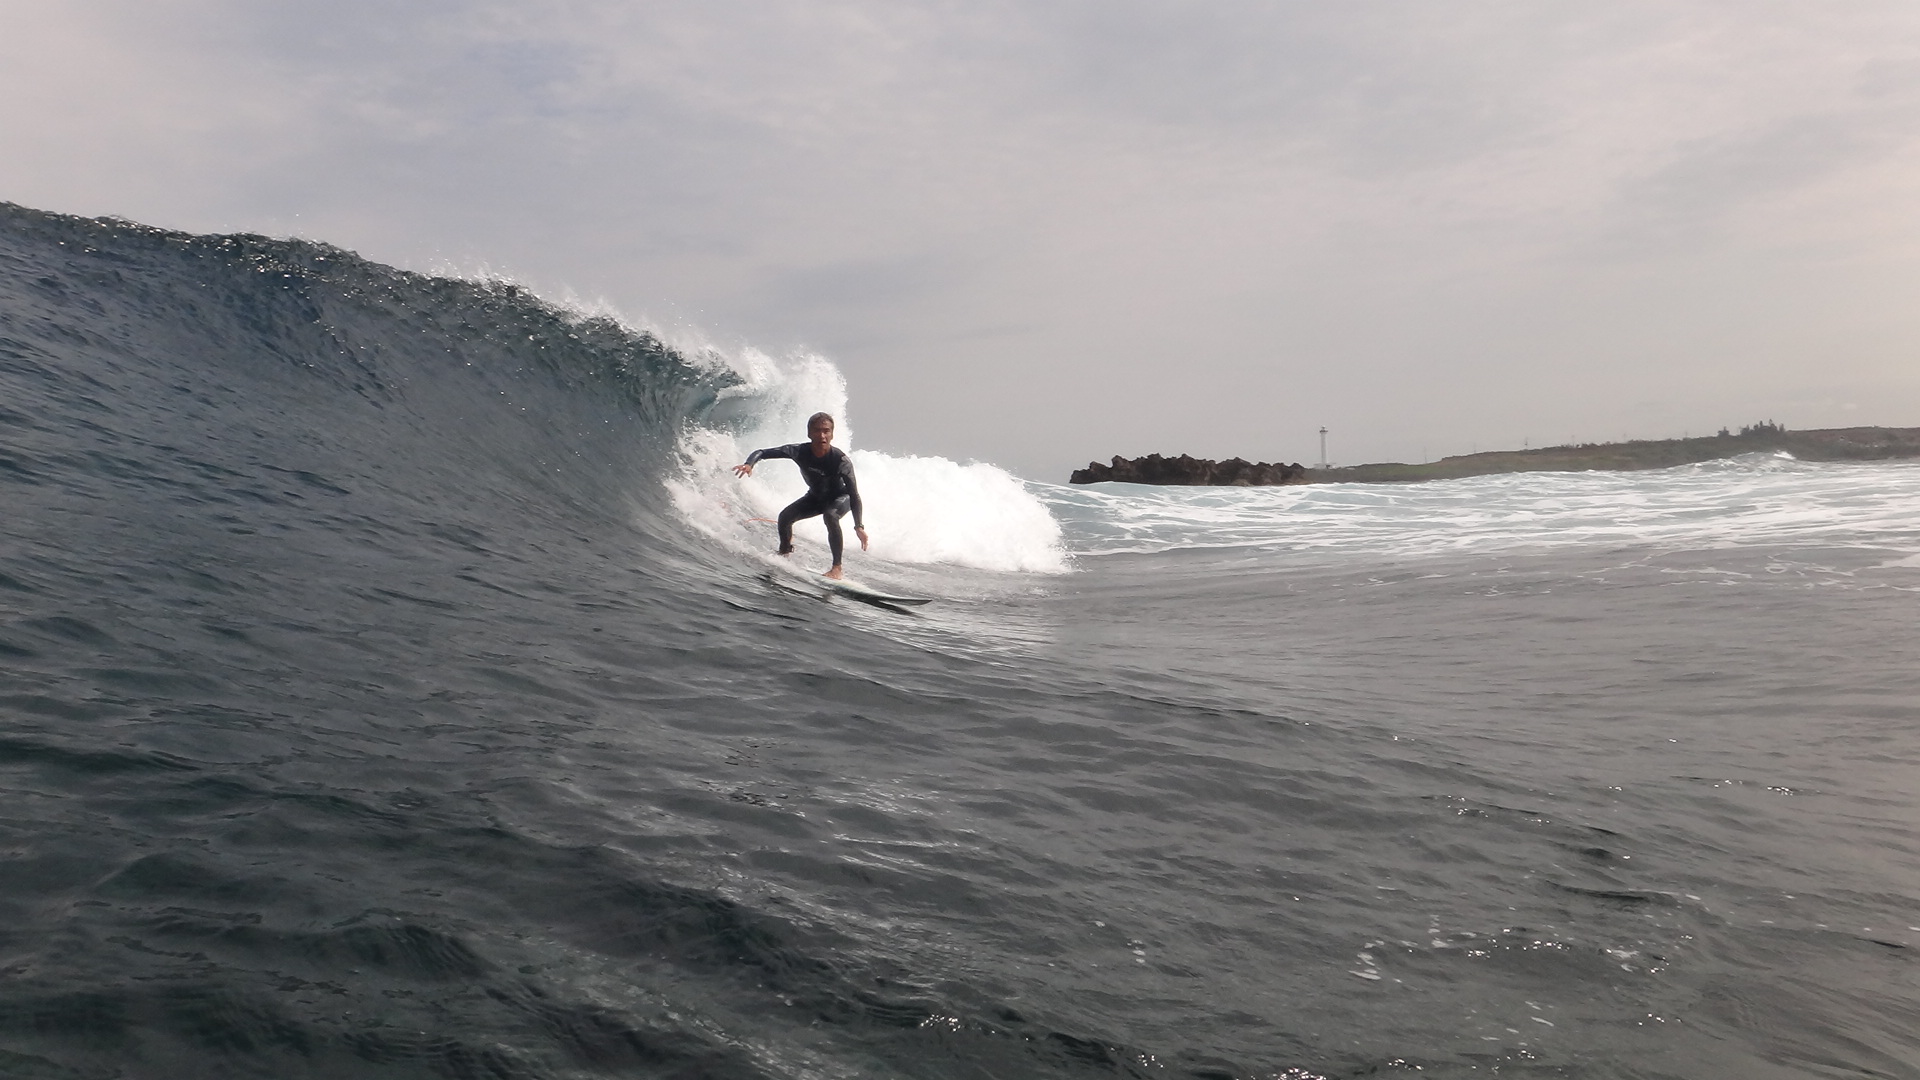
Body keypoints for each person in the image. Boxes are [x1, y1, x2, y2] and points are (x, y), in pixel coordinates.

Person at [732, 412, 868, 579]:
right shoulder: (798, 451)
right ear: (809, 433)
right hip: (816, 497)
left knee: (830, 515)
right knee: (785, 517)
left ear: (832, 434)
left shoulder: (841, 461)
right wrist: (749, 464)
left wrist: (858, 526)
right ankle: (784, 553)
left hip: (840, 498)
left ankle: (837, 568)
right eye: (817, 431)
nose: (822, 435)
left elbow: (854, 495)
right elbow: (762, 452)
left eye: (826, 431)